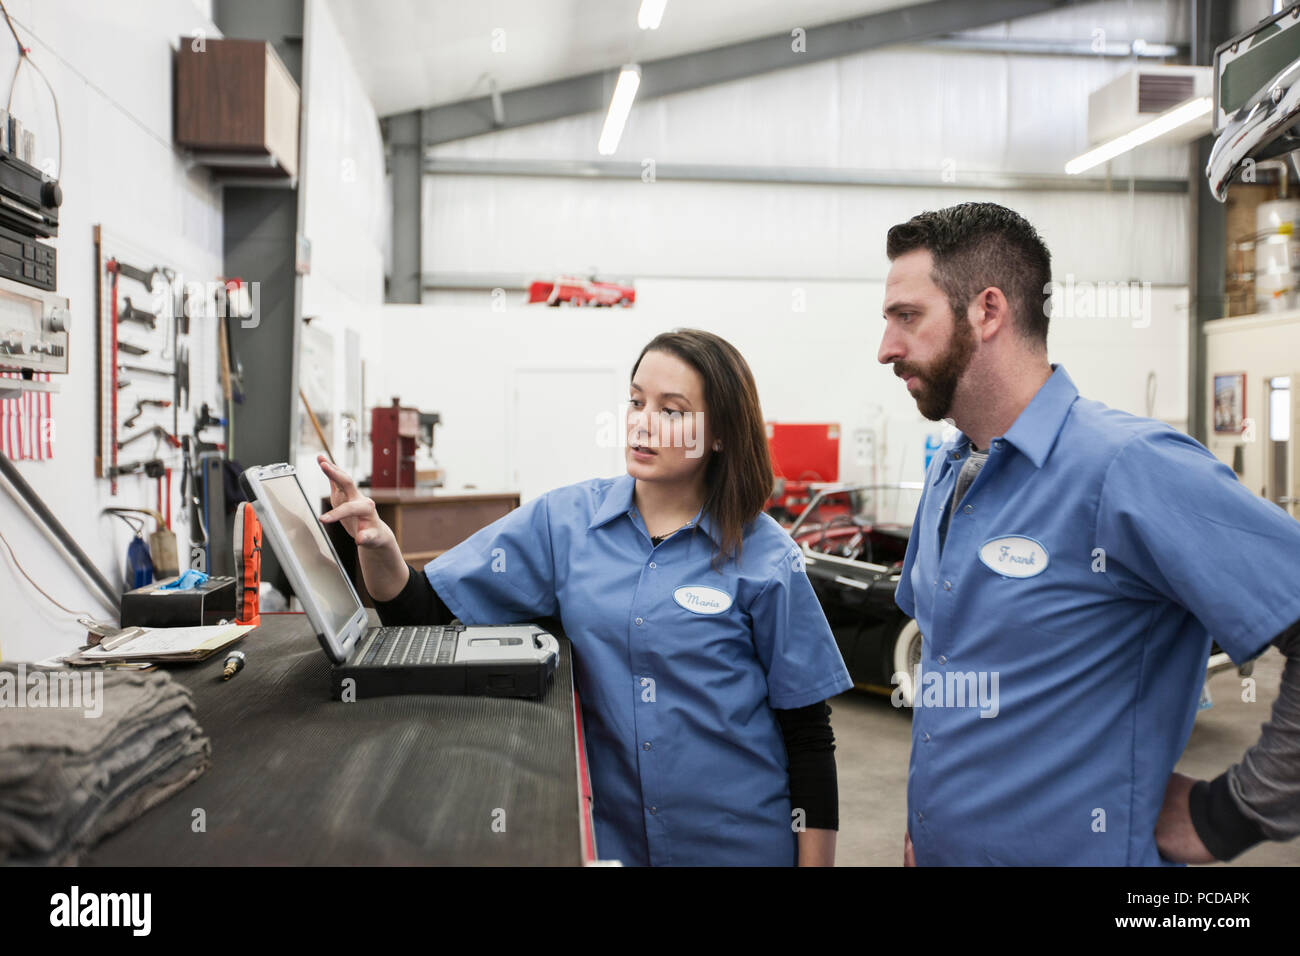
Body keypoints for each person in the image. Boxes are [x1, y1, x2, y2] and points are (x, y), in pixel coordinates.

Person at [318, 329, 853, 866]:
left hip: (738, 844)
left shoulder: (765, 555)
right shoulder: (565, 524)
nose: (643, 422)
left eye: (672, 411)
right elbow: (427, 612)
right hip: (611, 843)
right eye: (637, 401)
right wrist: (381, 546)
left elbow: (808, 733)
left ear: (719, 435)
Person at [878, 201, 1300, 866]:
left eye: (908, 317)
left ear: (987, 312)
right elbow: (953, 669)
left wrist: (1231, 815)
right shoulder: (948, 475)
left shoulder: (1129, 468)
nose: (886, 349)